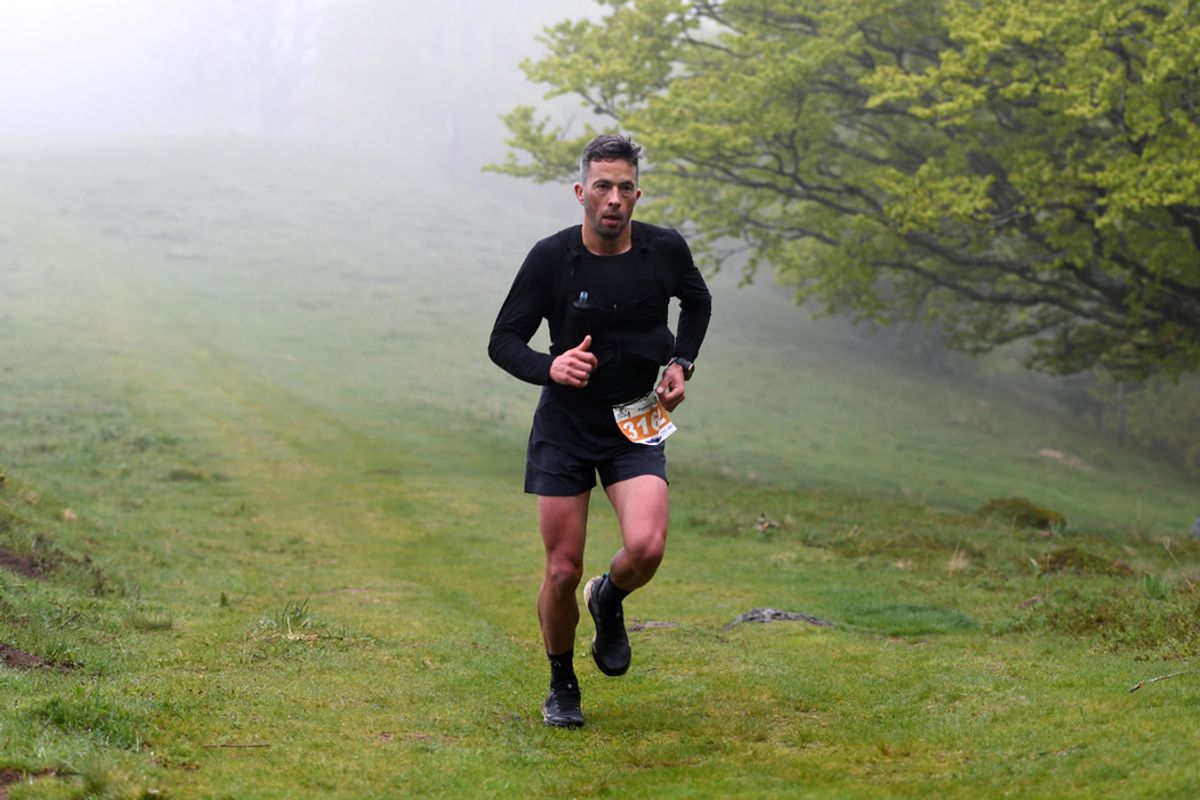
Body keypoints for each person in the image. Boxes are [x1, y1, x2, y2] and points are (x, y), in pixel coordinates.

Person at [488, 134, 712, 727]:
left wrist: (680, 363)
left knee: (647, 546)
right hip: (566, 425)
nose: (614, 198)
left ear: (638, 193)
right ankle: (562, 685)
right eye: (603, 186)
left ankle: (608, 599)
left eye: (625, 187)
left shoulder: (664, 250)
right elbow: (502, 341)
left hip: (636, 420)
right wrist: (550, 366)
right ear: (581, 191)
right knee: (561, 569)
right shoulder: (550, 257)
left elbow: (698, 304)